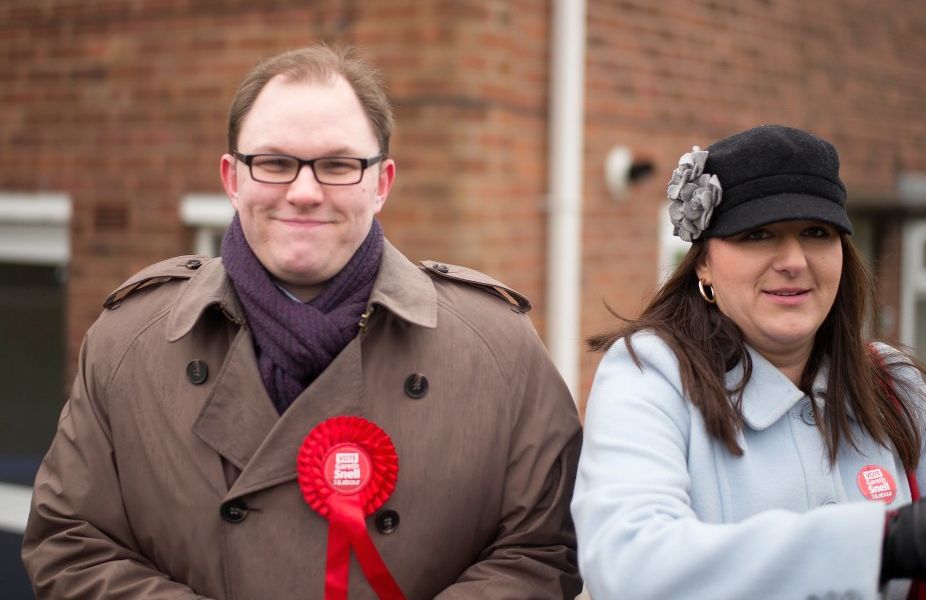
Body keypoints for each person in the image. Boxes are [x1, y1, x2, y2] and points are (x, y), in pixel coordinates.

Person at [22, 44, 582, 599]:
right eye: (274, 162)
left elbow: (544, 548)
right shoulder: (128, 343)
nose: (305, 192)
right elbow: (72, 542)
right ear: (232, 177)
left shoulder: (499, 349)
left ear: (381, 183)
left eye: (338, 165)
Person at [572, 125, 926, 599]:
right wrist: (879, 545)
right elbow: (629, 565)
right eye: (757, 234)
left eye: (816, 232)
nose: (793, 260)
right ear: (704, 263)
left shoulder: (892, 383)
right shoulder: (649, 375)